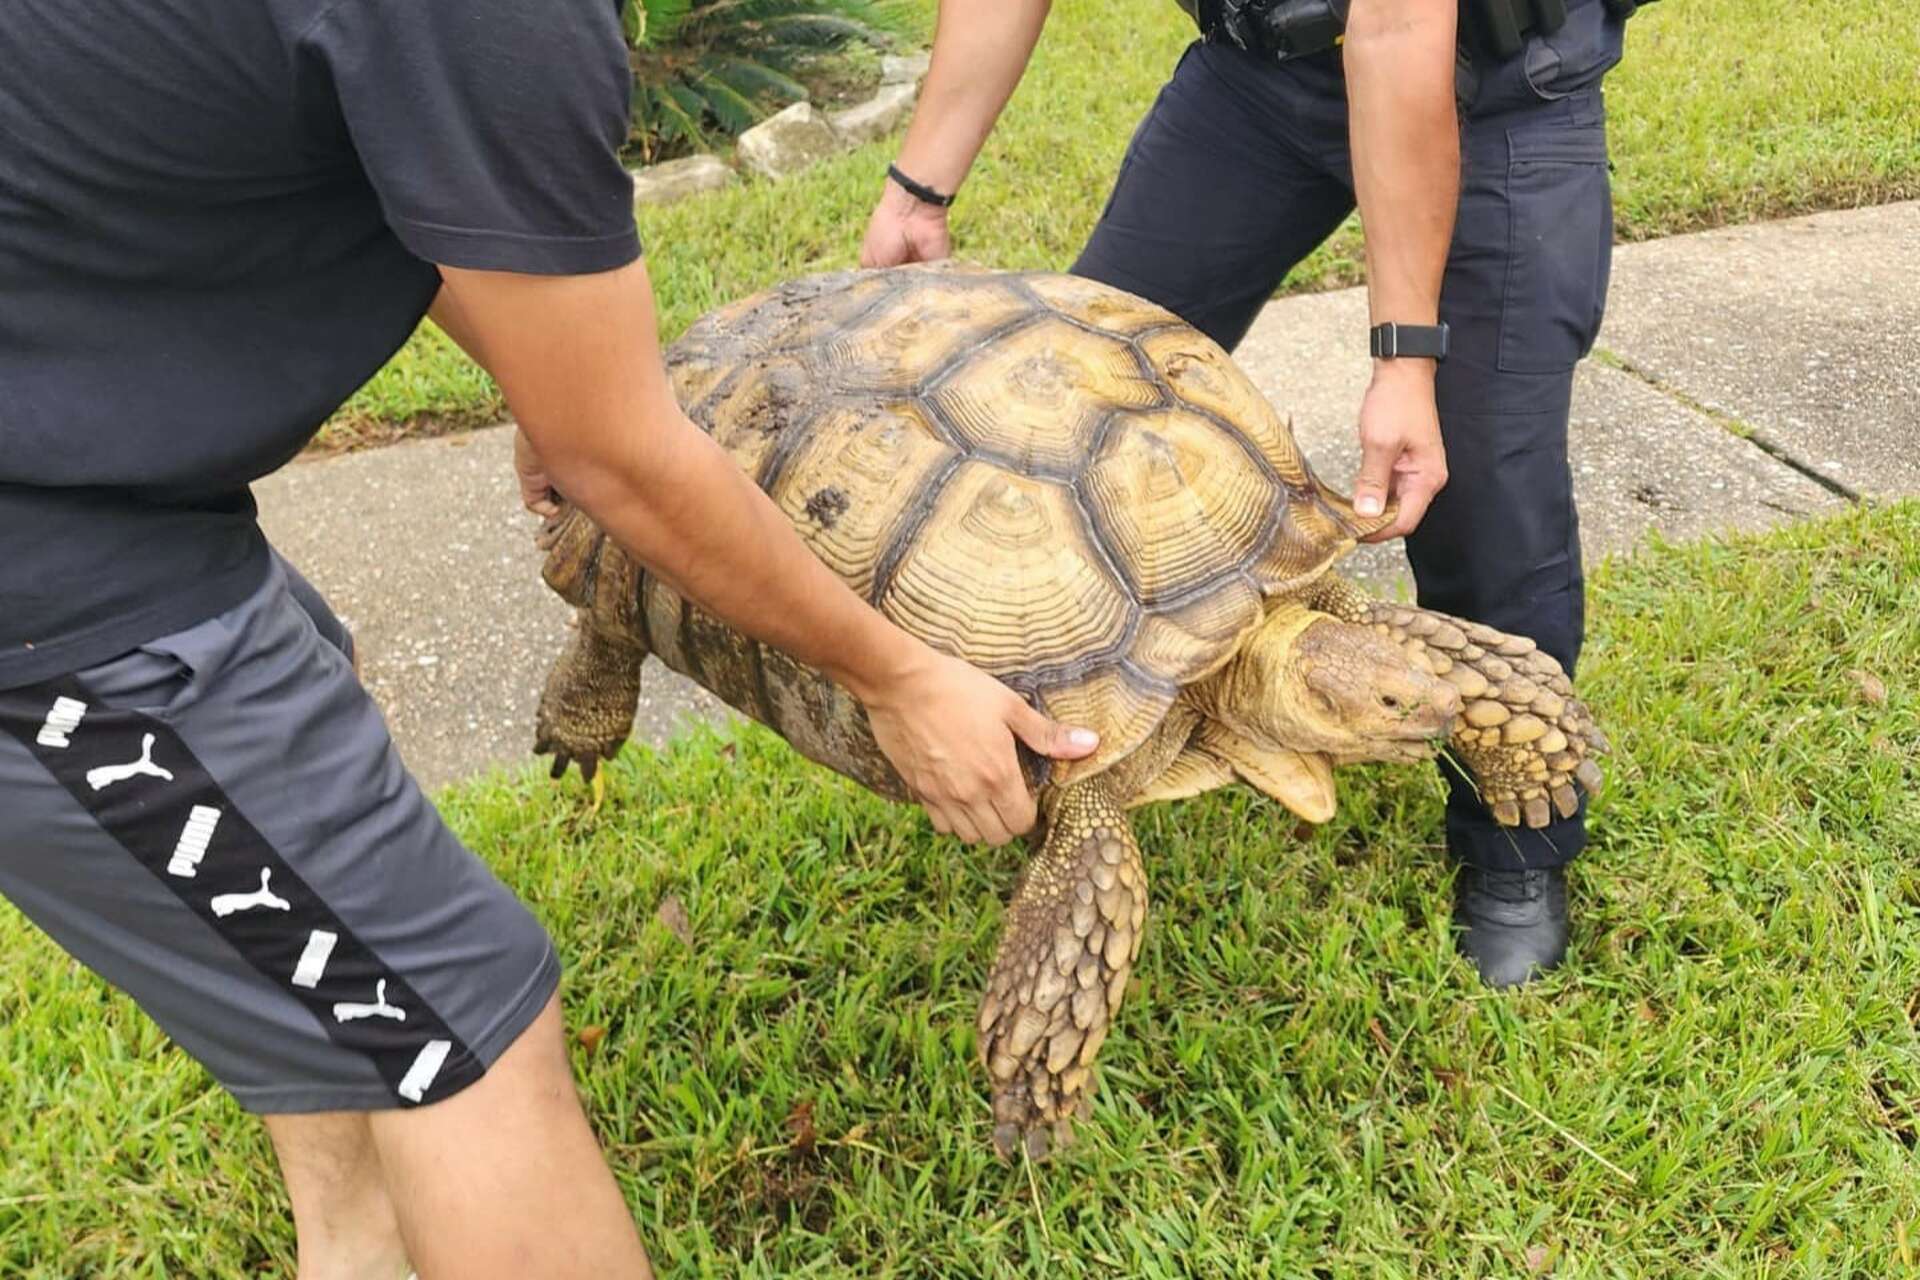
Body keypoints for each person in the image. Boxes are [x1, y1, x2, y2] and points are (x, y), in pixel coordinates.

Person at [0, 1, 1097, 1275]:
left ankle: (357, 1245)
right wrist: (896, 674)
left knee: (308, 771)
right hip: (47, 567)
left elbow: (405, 168)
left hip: (79, 429)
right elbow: (624, 456)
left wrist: (552, 376)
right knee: (466, 1022)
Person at [863, 0, 1631, 987]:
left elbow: (1398, 29)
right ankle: (1060, 746)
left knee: (1485, 491)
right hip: (1262, 74)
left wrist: (1406, 361)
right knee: (1066, 404)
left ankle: (1515, 844)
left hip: (1496, 90)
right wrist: (920, 187)